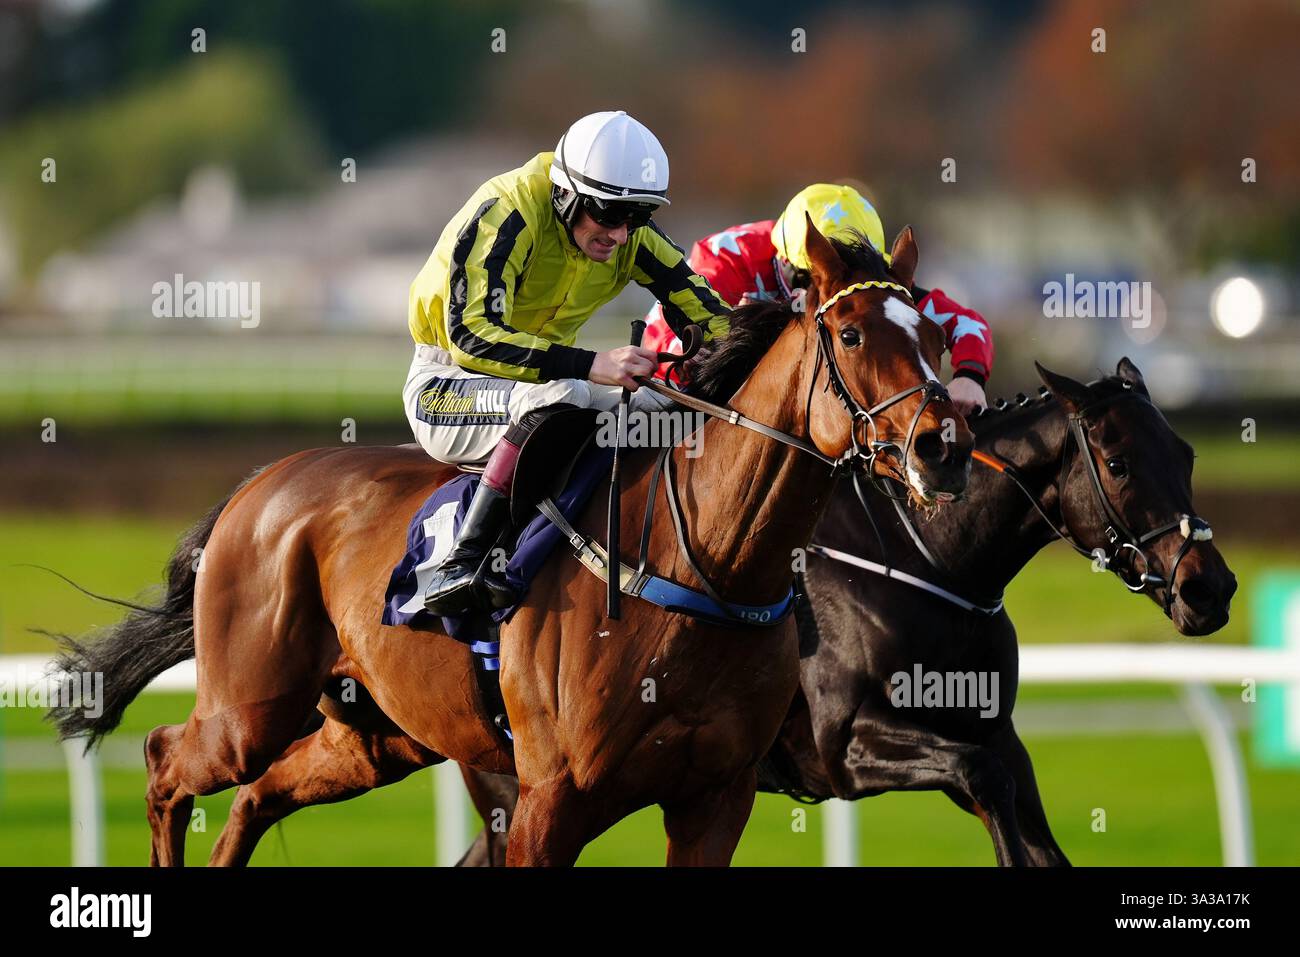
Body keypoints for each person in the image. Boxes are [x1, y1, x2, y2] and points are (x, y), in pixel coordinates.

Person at [404, 110, 732, 616]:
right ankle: (461, 562)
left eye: (637, 217)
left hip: (549, 384)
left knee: (659, 408)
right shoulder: (507, 211)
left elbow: (715, 319)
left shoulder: (626, 234)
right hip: (448, 382)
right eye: (608, 213)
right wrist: (590, 364)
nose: (621, 235)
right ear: (566, 195)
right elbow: (472, 337)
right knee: (562, 396)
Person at [641, 184, 994, 414]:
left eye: (853, 273)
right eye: (813, 278)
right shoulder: (726, 259)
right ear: (784, 257)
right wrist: (690, 352)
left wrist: (969, 376)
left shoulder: (869, 283)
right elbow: (666, 344)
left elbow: (965, 323)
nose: (830, 288)